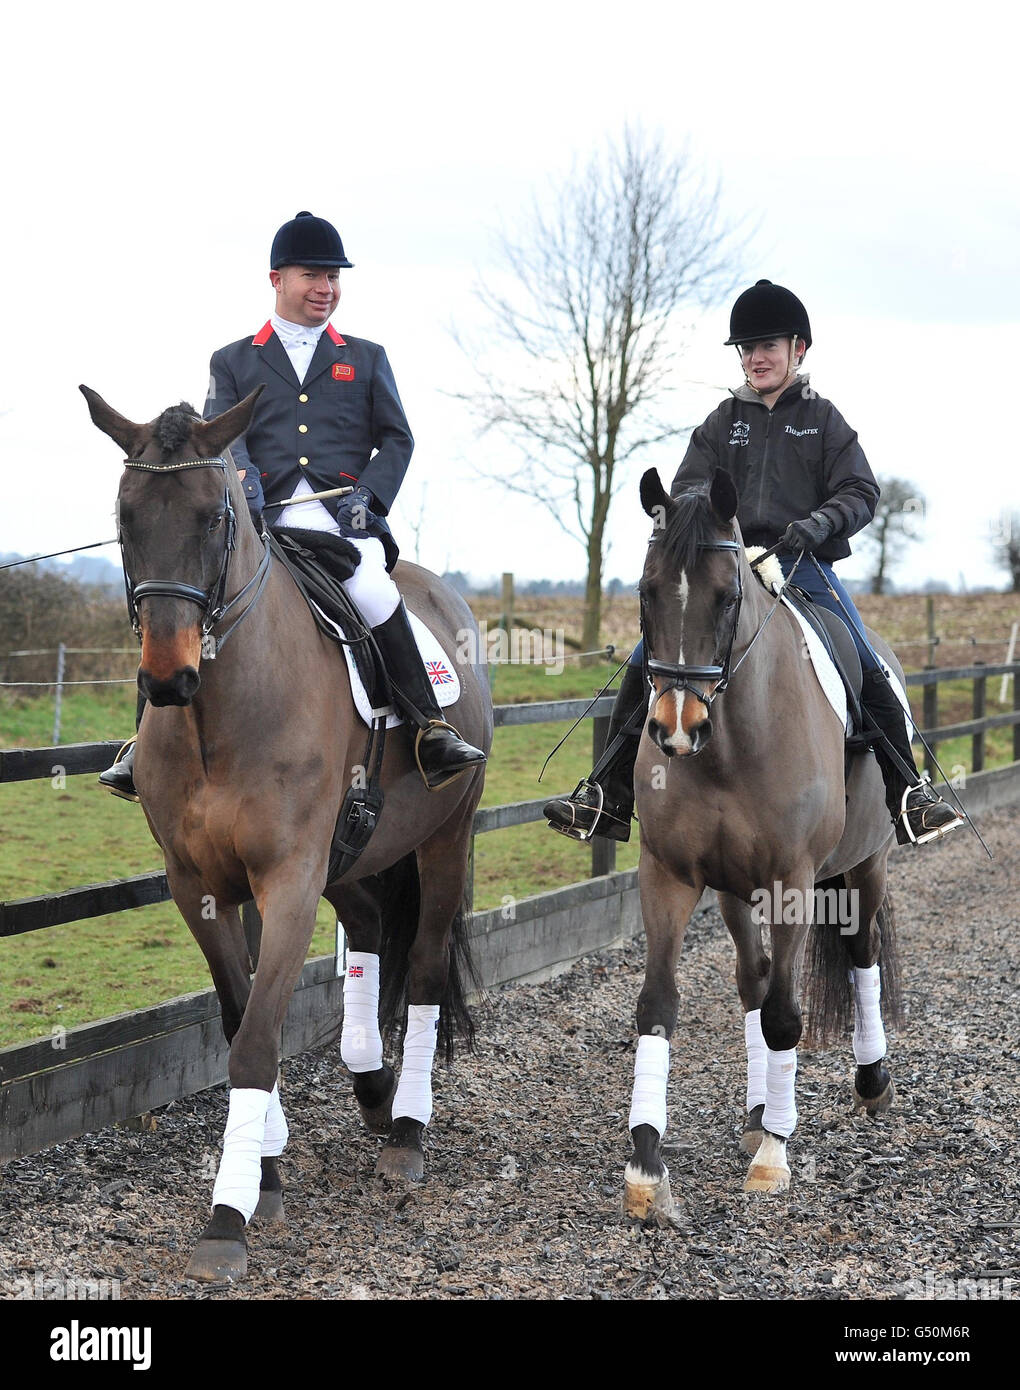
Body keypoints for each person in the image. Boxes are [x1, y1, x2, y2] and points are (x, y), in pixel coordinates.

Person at [544, 279, 963, 848]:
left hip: (800, 563)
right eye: (746, 349)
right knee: (649, 657)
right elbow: (689, 488)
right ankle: (607, 793)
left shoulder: (824, 421)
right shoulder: (721, 421)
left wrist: (815, 526)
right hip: (728, 564)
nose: (755, 358)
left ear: (799, 350)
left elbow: (861, 491)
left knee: (865, 657)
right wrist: (701, 522)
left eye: (767, 346)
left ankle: (908, 791)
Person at [101, 211, 485, 799]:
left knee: (375, 592)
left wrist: (369, 497)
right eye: (313, 275)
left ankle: (430, 727)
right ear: (276, 279)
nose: (326, 289)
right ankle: (143, 747)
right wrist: (248, 487)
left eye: (333, 278)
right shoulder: (233, 360)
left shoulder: (367, 356)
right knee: (182, 592)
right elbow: (223, 435)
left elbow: (398, 438)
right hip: (263, 524)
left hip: (340, 525)